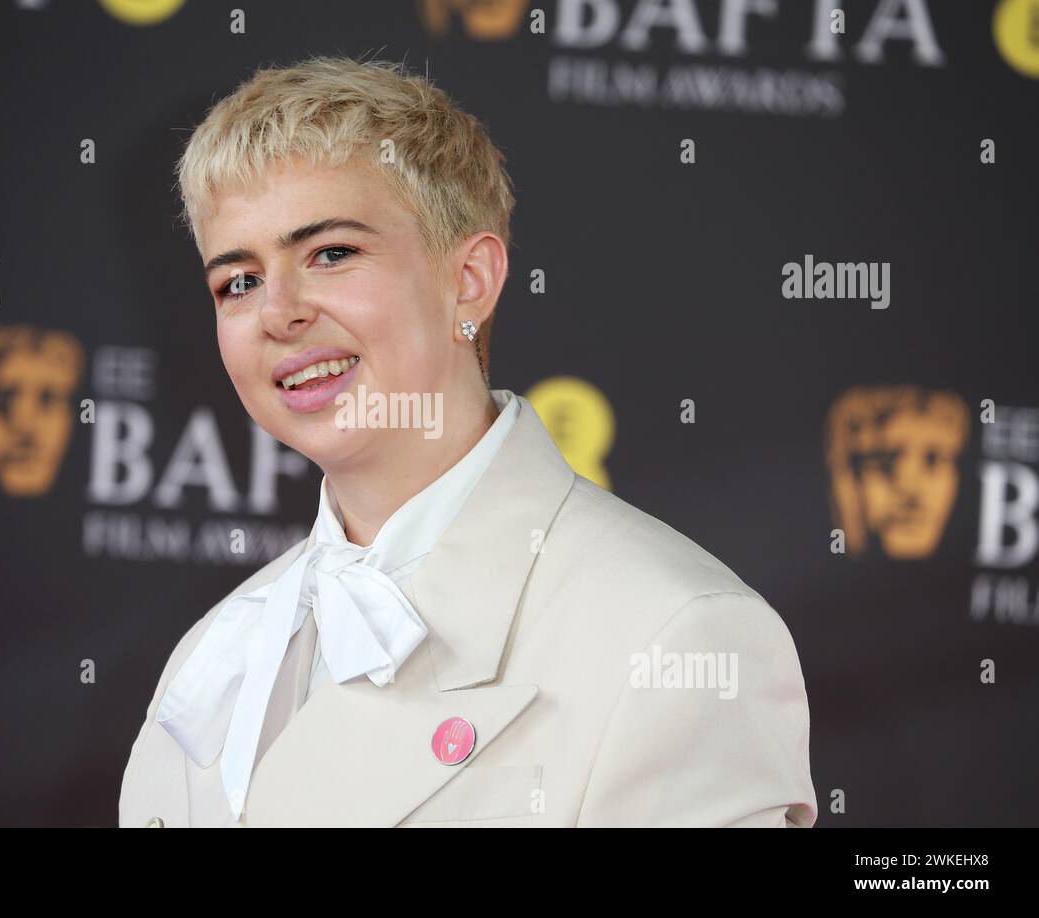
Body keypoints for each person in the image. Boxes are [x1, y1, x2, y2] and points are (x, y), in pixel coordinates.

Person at [119, 55, 817, 827]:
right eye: (238, 281)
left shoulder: (678, 637)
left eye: (331, 253)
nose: (277, 312)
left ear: (470, 280)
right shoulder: (214, 654)